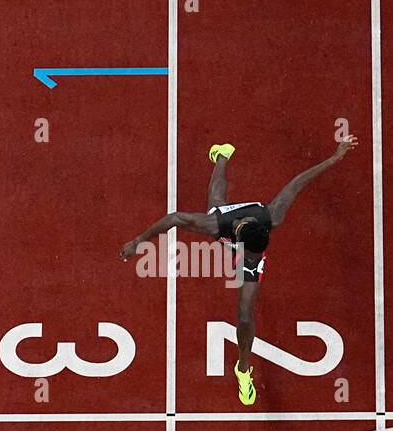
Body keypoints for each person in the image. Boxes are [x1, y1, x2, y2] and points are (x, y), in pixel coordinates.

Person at [120, 136, 359, 405]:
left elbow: (298, 183)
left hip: (249, 260)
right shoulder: (221, 223)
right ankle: (222, 156)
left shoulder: (269, 220)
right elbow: (175, 218)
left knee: (245, 315)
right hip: (224, 220)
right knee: (216, 205)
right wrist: (138, 241)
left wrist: (334, 157)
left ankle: (243, 368)